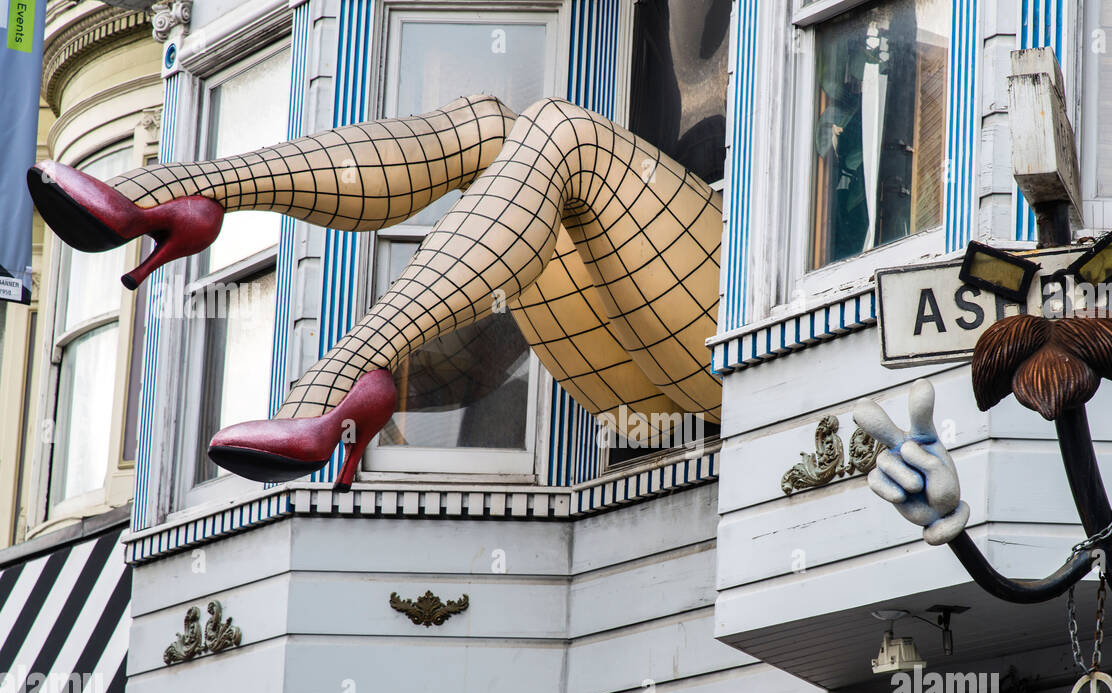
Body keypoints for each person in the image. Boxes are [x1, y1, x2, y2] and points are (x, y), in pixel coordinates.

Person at [28, 95, 722, 489]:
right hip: (640, 362)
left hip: (732, 355)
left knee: (561, 133)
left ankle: (180, 203)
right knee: (493, 129)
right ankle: (183, 191)